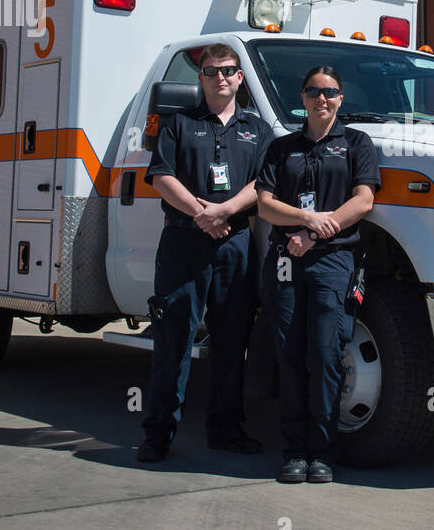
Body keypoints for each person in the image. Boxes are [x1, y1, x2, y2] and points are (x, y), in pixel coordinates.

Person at [137, 43, 272, 462]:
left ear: (240, 78)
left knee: (232, 343)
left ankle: (226, 429)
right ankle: (158, 434)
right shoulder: (178, 125)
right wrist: (201, 213)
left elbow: (263, 183)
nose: (220, 78)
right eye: (211, 72)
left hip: (235, 244)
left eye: (228, 71)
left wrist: (226, 211)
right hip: (184, 243)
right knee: (173, 341)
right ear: (201, 79)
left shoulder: (258, 129)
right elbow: (161, 176)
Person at [257, 66, 380, 483]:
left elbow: (363, 200)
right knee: (290, 355)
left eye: (329, 92)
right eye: (313, 91)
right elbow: (265, 205)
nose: (321, 99)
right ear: (303, 97)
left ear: (340, 99)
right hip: (285, 260)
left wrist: (311, 232)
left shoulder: (356, 144)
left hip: (333, 260)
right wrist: (307, 218)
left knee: (326, 355)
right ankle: (294, 452)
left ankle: (323, 453)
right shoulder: (282, 148)